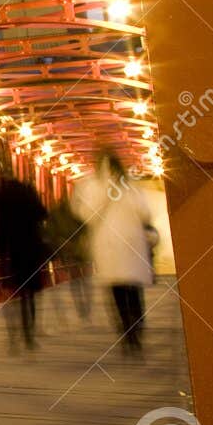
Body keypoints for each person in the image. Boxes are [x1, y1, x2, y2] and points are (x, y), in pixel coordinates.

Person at [73, 149, 157, 354]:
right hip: (129, 245)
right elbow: (145, 213)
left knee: (118, 291)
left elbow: (85, 214)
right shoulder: (130, 186)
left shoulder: (93, 187)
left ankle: (128, 331)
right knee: (132, 289)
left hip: (110, 247)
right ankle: (135, 327)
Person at [0, 169, 48, 349]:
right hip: (31, 248)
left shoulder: (1, 195)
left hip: (12, 250)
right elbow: (43, 213)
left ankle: (13, 335)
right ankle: (29, 334)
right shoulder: (28, 191)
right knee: (29, 294)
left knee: (14, 291)